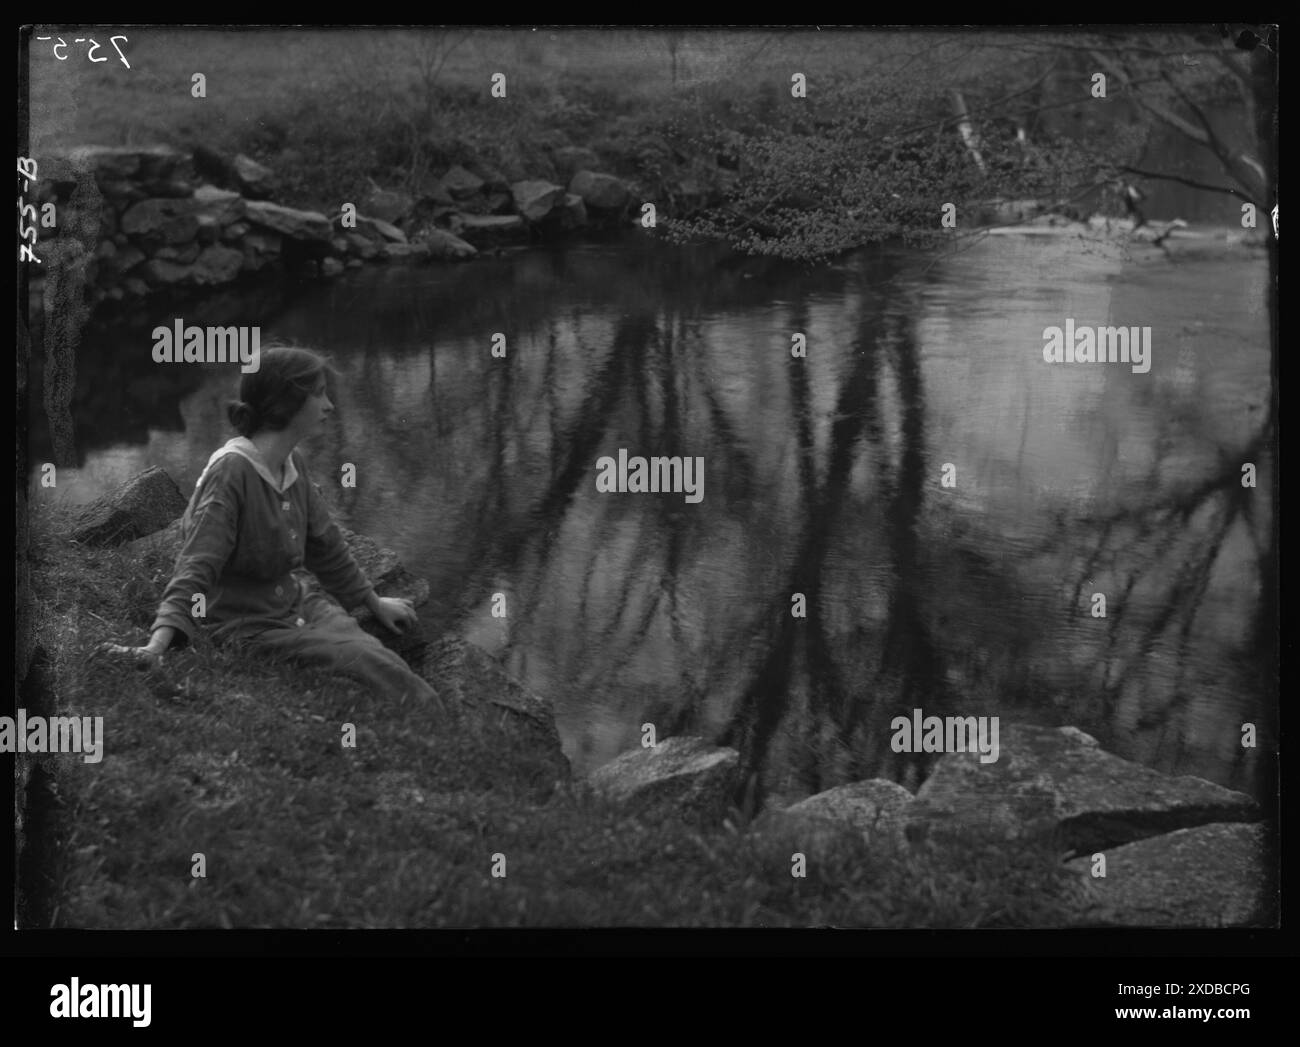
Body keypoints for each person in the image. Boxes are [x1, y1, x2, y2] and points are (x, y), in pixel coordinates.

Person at [103, 345, 446, 718]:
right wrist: (156, 646)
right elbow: (195, 565)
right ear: (286, 403)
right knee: (365, 661)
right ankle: (441, 734)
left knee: (376, 655)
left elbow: (326, 544)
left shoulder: (291, 463)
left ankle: (437, 723)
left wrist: (374, 602)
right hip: (246, 625)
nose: (329, 406)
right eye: (318, 395)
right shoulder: (232, 473)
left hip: (297, 603)